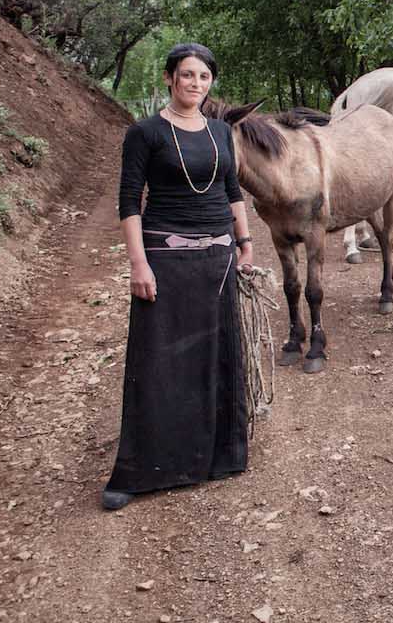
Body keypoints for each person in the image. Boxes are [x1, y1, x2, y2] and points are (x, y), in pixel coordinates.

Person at [103, 43, 255, 511]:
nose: (195, 83)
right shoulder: (145, 133)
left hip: (218, 258)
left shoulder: (219, 132)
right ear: (169, 78)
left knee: (214, 356)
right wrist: (138, 263)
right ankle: (142, 471)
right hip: (165, 257)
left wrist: (245, 244)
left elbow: (232, 190)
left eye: (204, 76)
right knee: (160, 362)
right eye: (187, 74)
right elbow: (129, 199)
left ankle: (217, 458)